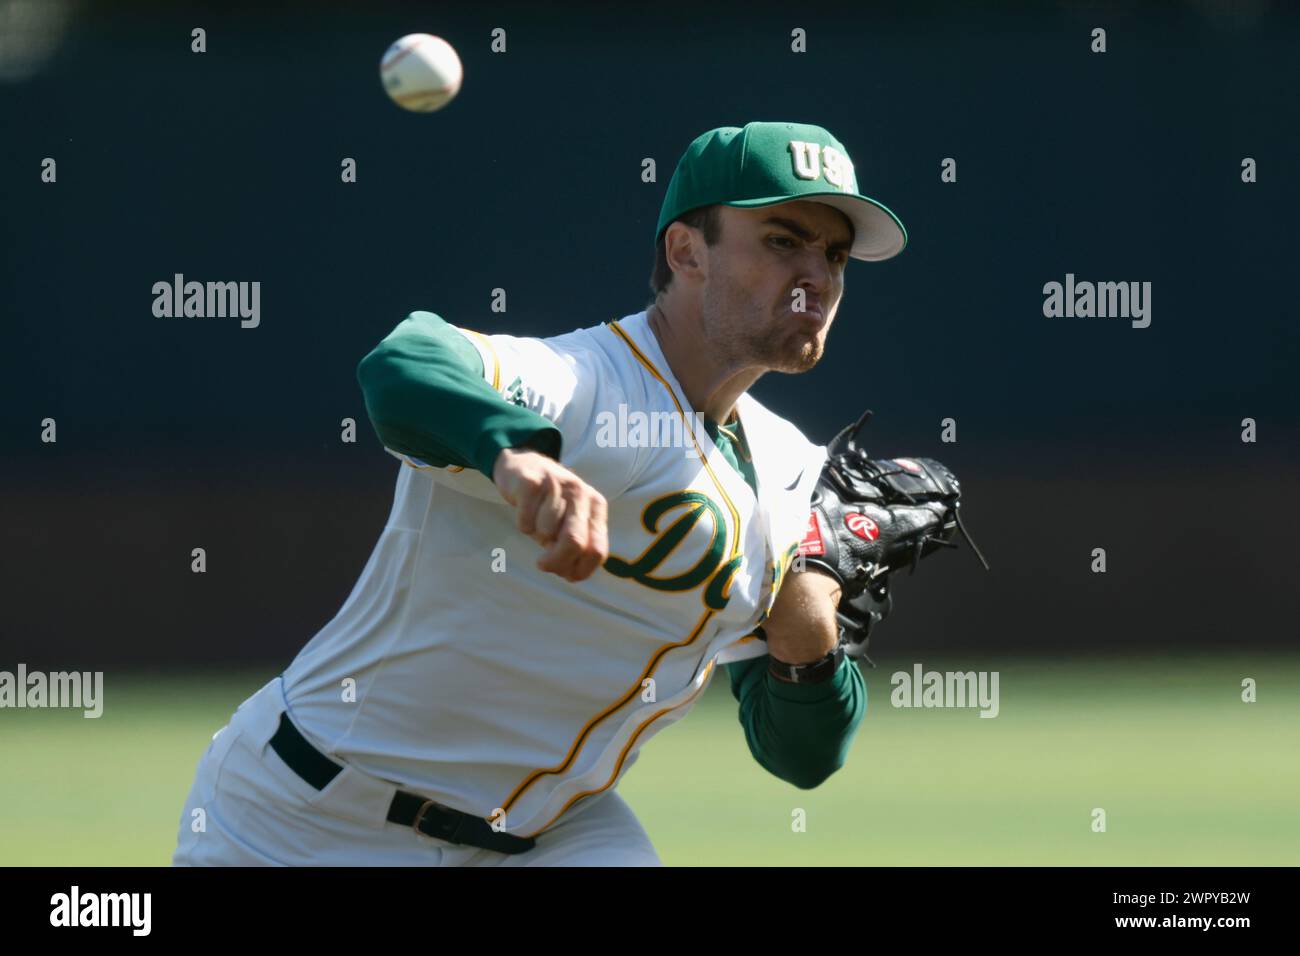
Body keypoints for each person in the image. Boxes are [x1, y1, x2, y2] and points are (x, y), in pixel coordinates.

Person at [172, 120, 909, 866]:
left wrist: (808, 627)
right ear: (687, 252)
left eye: (835, 253)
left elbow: (801, 758)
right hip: (306, 815)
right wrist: (515, 456)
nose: (816, 275)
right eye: (783, 240)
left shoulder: (789, 470)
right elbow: (403, 360)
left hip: (548, 833)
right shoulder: (586, 384)